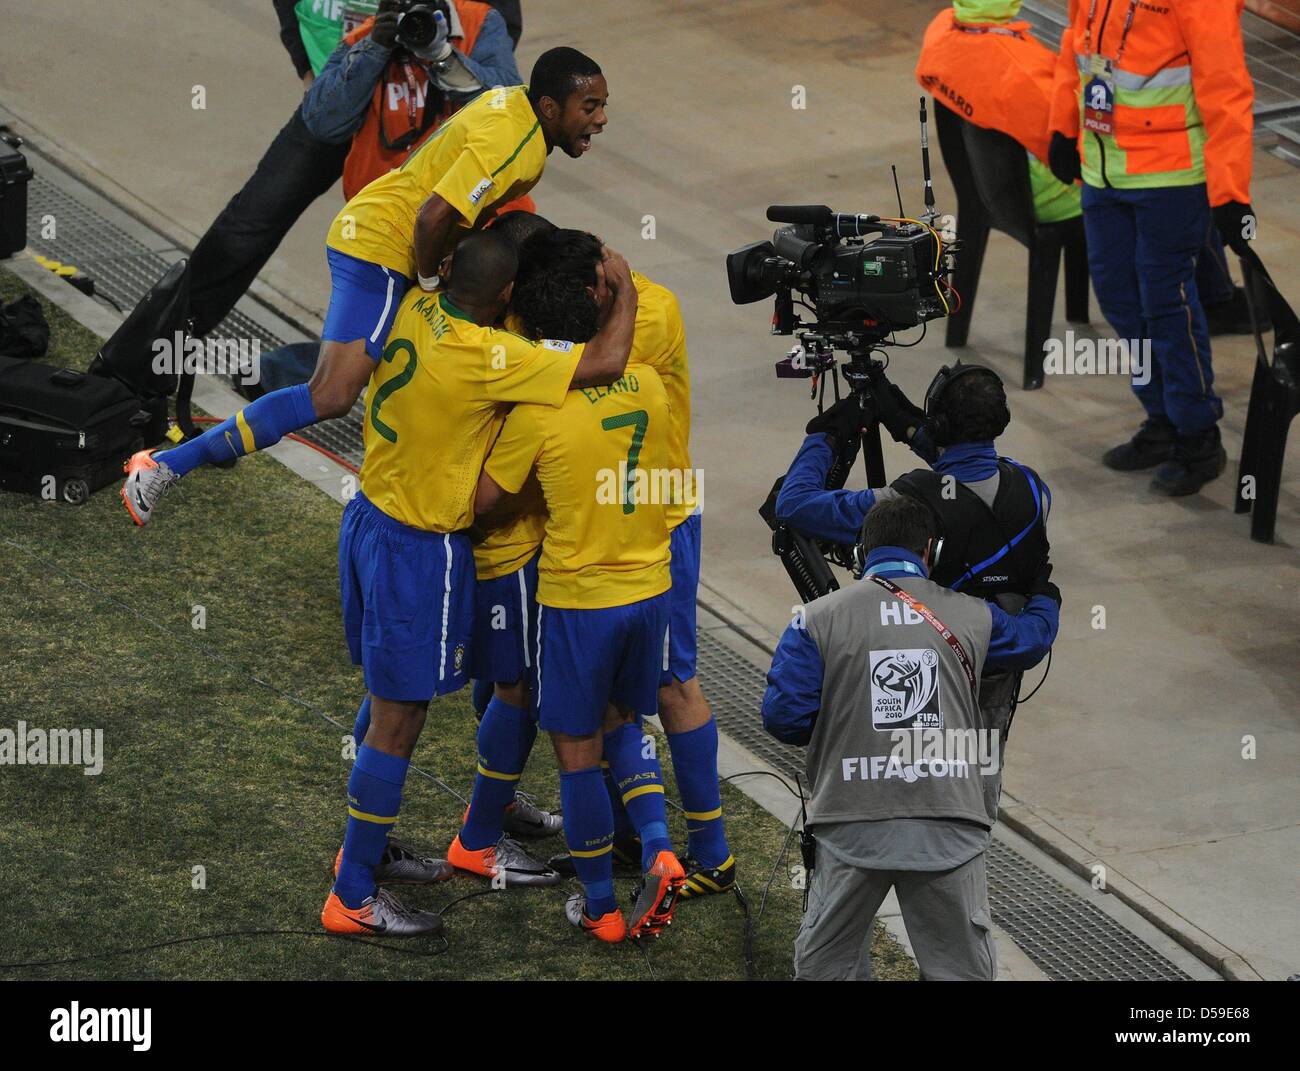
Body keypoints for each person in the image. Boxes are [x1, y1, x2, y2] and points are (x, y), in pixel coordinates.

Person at [122, 47, 609, 524]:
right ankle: (164, 467)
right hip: (381, 248)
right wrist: (429, 282)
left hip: (393, 238)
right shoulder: (516, 147)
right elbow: (433, 215)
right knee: (333, 394)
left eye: (602, 105)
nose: (601, 118)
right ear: (549, 107)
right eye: (590, 107)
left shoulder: (513, 102)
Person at [319, 230, 639, 936]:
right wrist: (624, 286)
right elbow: (608, 359)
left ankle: (364, 852)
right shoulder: (494, 357)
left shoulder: (413, 304)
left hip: (369, 519)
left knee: (386, 701)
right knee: (402, 717)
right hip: (418, 545)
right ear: (503, 297)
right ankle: (351, 893)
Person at [469, 227, 737, 900]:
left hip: (651, 519)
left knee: (667, 687)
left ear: (593, 289)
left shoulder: (649, 315)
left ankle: (709, 851)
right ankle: (620, 839)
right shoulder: (578, 304)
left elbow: (585, 371)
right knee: (545, 685)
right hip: (579, 520)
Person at [762, 495, 1060, 980]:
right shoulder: (974, 616)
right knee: (959, 972)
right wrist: (1046, 593)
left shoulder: (814, 620)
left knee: (826, 970)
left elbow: (784, 720)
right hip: (950, 824)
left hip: (850, 821)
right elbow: (1030, 641)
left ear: (862, 552)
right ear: (931, 550)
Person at [472, 345, 685, 943]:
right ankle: (660, 848)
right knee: (624, 723)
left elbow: (484, 503)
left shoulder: (538, 406)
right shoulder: (645, 380)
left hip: (580, 599)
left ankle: (601, 908)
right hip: (650, 589)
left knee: (577, 750)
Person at [915, 0, 1253, 332]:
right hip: (1067, 189)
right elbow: (1063, 132)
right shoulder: (1022, 71)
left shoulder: (941, 31)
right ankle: (1215, 299)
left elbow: (1076, 60)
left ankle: (1204, 306)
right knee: (1185, 217)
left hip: (995, 193)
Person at [1046, 0, 1258, 496]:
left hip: (1172, 177)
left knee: (1166, 305)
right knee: (1120, 300)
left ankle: (1197, 432)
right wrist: (1062, 126)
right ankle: (1161, 417)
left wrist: (1230, 193)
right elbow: (1073, 49)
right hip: (1104, 171)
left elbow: (1227, 90)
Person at [256, 0, 523, 392]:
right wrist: (375, 49)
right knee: (385, 349)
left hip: (478, 222)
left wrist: (442, 55)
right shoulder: (366, 37)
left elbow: (510, 110)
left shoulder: (479, 21)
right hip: (388, 231)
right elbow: (323, 121)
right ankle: (279, 374)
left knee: (483, 341)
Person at [776, 363, 1051, 735]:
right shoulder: (1033, 488)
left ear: (940, 424)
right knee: (976, 781)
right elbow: (965, 477)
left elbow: (794, 504)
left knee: (909, 769)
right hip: (997, 665)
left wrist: (826, 436)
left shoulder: (906, 504)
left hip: (926, 664)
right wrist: (903, 422)